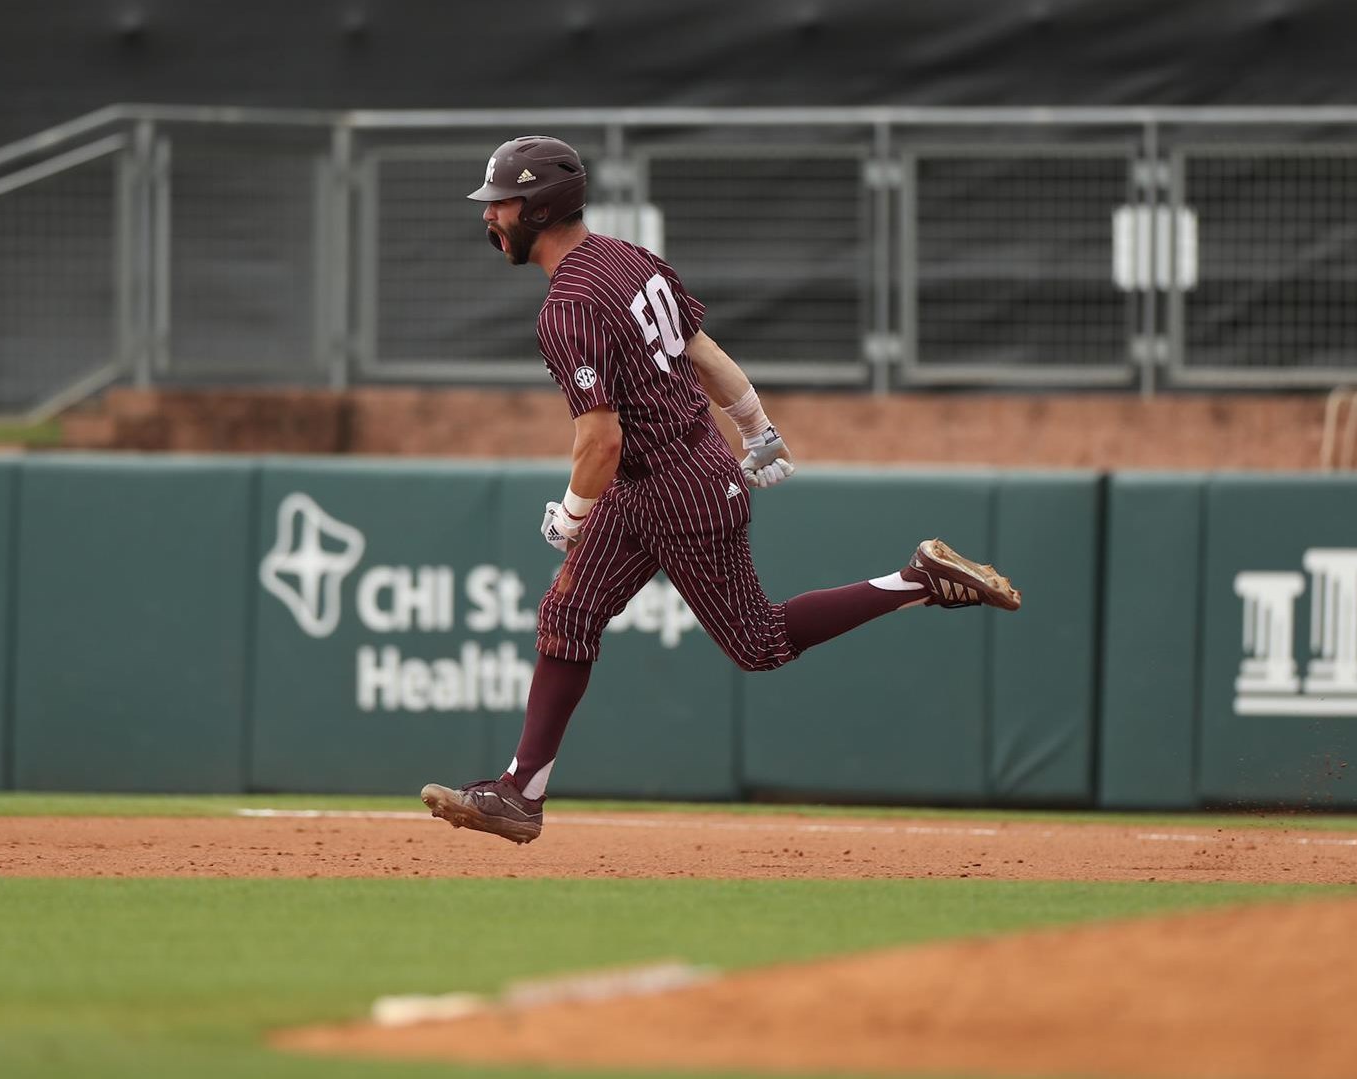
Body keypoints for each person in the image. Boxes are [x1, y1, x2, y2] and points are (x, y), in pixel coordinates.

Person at [421, 135, 1020, 844]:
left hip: (672, 484)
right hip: (665, 473)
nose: (490, 217)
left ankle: (917, 577)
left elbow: (600, 440)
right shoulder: (627, 257)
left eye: (502, 203)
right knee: (568, 615)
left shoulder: (568, 305)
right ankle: (520, 793)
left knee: (758, 641)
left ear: (539, 206)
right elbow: (698, 351)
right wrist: (755, 427)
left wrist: (571, 513)